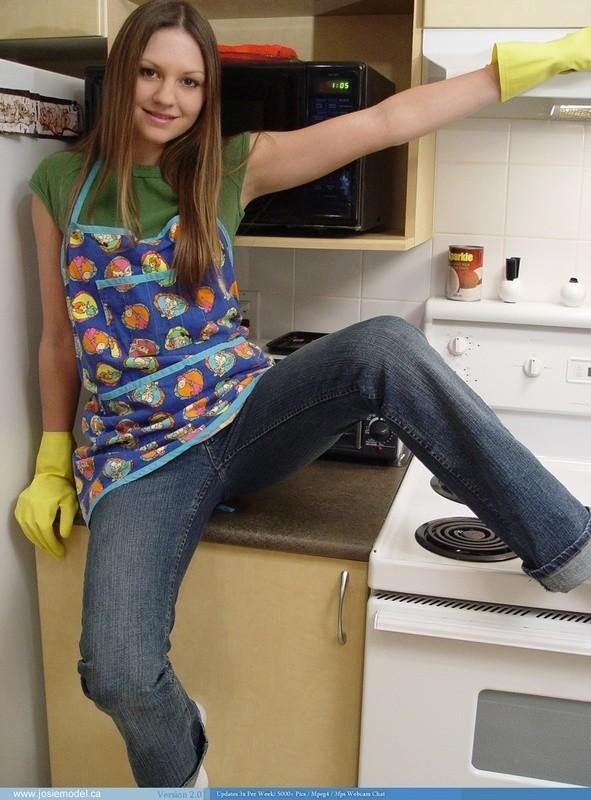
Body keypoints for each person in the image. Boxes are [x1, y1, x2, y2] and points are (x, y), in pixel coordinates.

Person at [13, 0, 591, 787]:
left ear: (208, 92)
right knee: (114, 674)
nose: (166, 97)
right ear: (121, 75)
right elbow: (59, 338)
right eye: (150, 72)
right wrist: (53, 460)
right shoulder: (57, 183)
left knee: (383, 342)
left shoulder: (224, 166)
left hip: (245, 418)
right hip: (137, 461)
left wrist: (537, 61)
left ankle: (570, 544)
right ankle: (182, 770)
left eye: (188, 80)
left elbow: (388, 121)